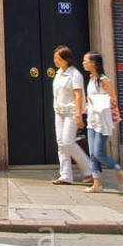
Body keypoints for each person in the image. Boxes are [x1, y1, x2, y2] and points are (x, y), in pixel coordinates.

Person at [81, 51, 123, 192]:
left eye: (86, 60)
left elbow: (113, 98)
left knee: (98, 153)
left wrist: (94, 101)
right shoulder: (91, 78)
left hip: (103, 120)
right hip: (92, 119)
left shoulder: (103, 80)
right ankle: (97, 183)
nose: (83, 63)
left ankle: (119, 170)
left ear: (93, 63)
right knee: (92, 153)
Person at [50, 45, 94, 186]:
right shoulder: (58, 74)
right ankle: (65, 176)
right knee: (61, 144)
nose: (56, 61)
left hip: (71, 112)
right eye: (55, 58)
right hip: (59, 111)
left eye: (59, 58)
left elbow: (78, 94)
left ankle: (90, 170)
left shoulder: (75, 74)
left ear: (66, 59)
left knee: (67, 141)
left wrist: (78, 115)